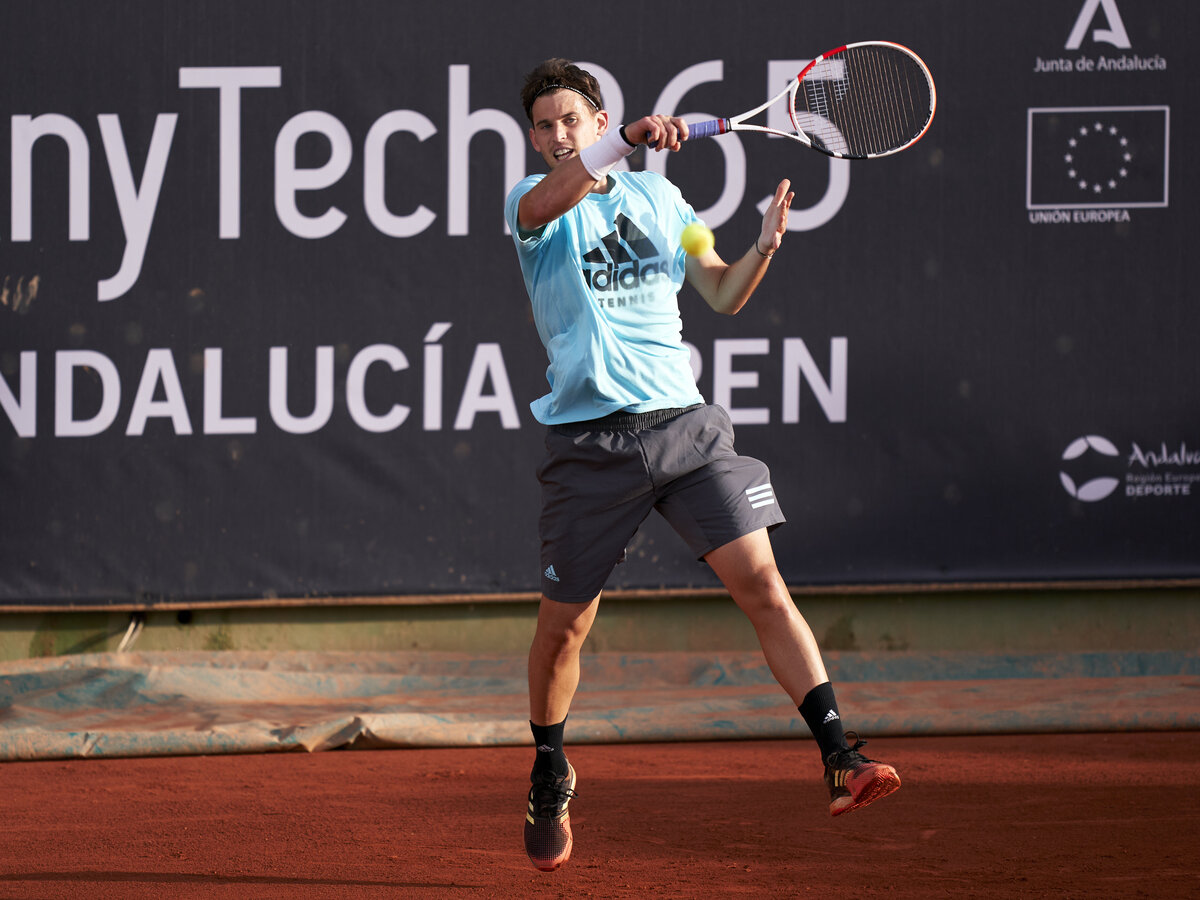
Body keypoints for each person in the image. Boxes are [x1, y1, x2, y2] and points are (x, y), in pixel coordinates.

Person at [504, 58, 900, 873]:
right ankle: (550, 769)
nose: (557, 134)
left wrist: (760, 248)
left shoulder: (664, 200)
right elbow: (555, 194)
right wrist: (616, 144)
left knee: (762, 582)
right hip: (592, 446)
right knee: (563, 630)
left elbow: (718, 292)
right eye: (543, 124)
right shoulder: (531, 208)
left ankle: (839, 755)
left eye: (571, 118)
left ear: (595, 113)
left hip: (685, 428)